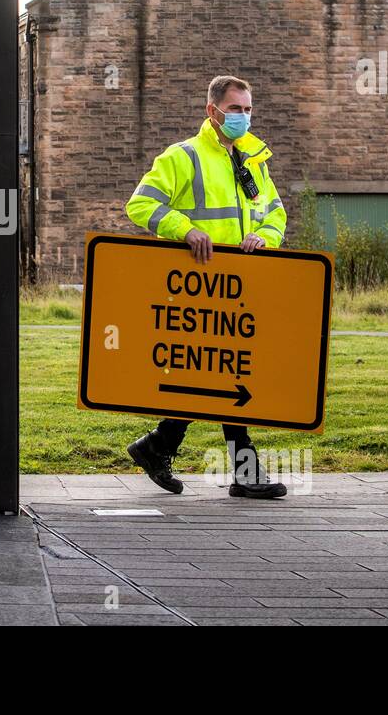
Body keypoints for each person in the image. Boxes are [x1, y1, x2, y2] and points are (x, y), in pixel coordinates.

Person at [123, 75, 289, 499]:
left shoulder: (253, 160)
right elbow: (140, 204)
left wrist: (264, 238)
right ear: (212, 111)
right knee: (220, 378)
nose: (244, 117)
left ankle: (157, 446)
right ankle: (242, 472)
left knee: (216, 377)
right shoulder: (184, 156)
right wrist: (186, 230)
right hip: (194, 289)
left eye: (249, 109)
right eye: (236, 109)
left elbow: (275, 213)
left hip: (240, 288)